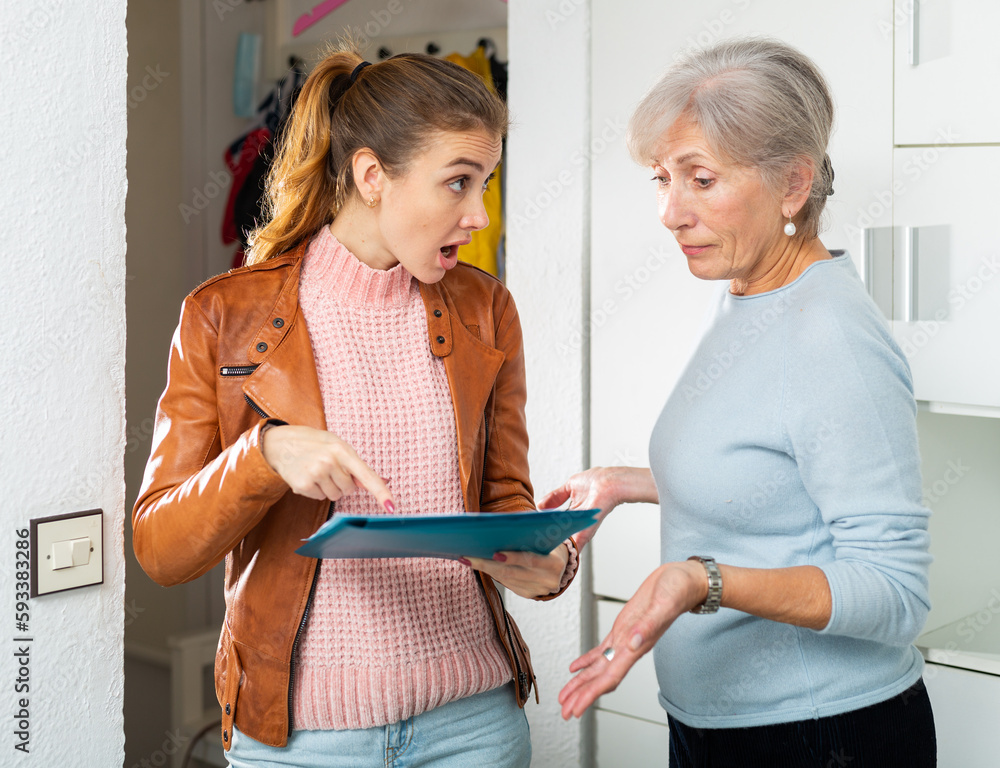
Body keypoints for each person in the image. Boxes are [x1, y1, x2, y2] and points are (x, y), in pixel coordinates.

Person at [132, 46, 580, 768]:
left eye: (488, 183)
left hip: (473, 726)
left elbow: (505, 506)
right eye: (459, 183)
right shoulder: (223, 315)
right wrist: (264, 454)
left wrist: (547, 565)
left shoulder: (485, 309)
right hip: (301, 740)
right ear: (372, 176)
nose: (479, 214)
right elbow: (161, 547)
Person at [546, 38, 936, 767]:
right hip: (719, 724)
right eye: (662, 179)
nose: (670, 212)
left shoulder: (831, 338)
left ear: (792, 184)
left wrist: (703, 579)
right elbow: (785, 473)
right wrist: (628, 483)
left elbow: (895, 592)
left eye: (701, 179)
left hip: (820, 735)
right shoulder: (753, 292)